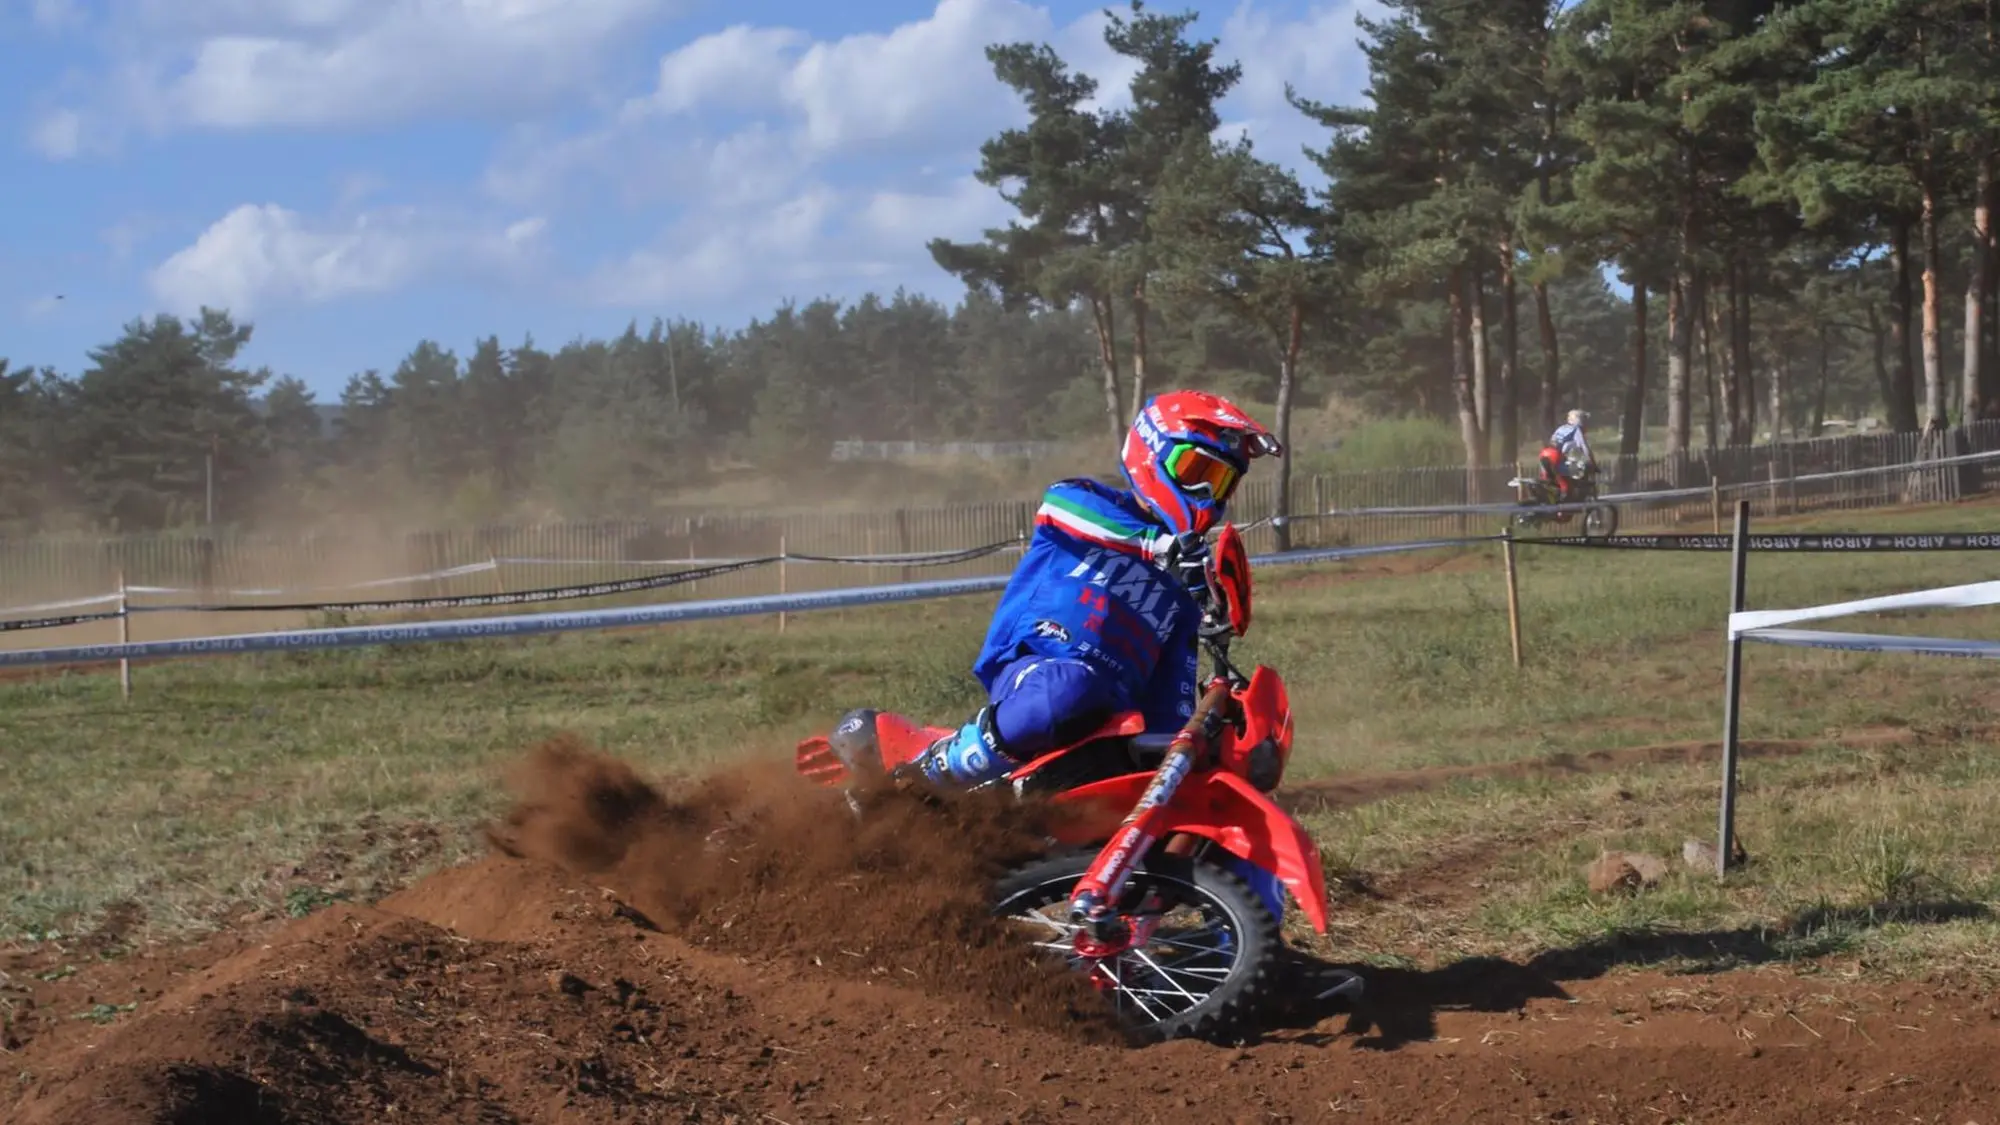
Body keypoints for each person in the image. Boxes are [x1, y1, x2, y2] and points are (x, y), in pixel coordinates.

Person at [908, 390, 1283, 790]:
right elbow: (1062, 511)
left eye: (1220, 482)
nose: (1207, 494)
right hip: (1041, 666)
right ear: (1152, 451)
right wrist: (1156, 545)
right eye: (1196, 471)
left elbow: (1170, 689)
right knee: (1070, 691)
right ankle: (938, 767)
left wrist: (1191, 745)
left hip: (1112, 718)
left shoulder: (1182, 586)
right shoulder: (1084, 502)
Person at [1538, 409, 1593, 501]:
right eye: (1585, 420)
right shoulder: (1576, 430)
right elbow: (1584, 447)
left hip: (1545, 453)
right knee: (1567, 483)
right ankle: (1563, 508)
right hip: (1555, 456)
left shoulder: (1562, 428)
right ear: (1581, 421)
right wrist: (1592, 462)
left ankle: (1551, 503)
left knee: (1550, 481)